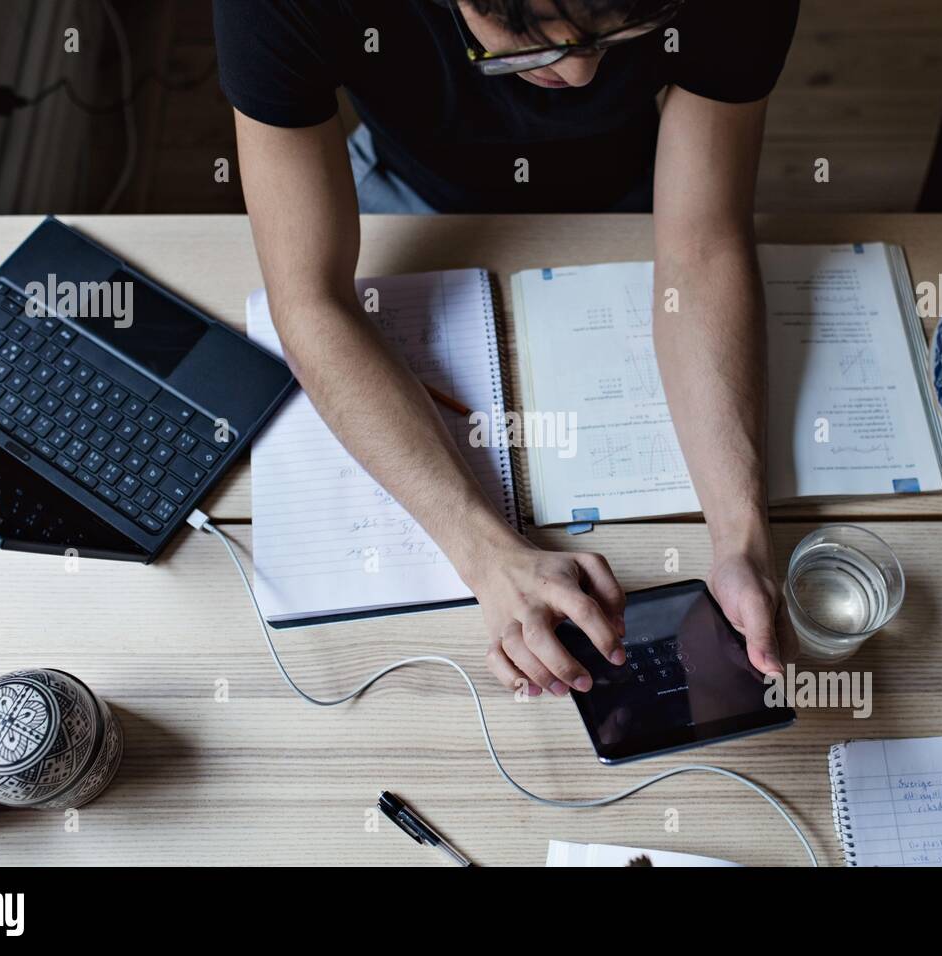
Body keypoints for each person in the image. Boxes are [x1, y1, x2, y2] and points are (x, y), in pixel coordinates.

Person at [213, 0, 801, 696]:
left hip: (633, 186)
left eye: (617, 36)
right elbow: (310, 300)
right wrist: (485, 556)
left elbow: (701, 247)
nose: (581, 72)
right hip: (402, 184)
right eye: (529, 42)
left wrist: (741, 540)